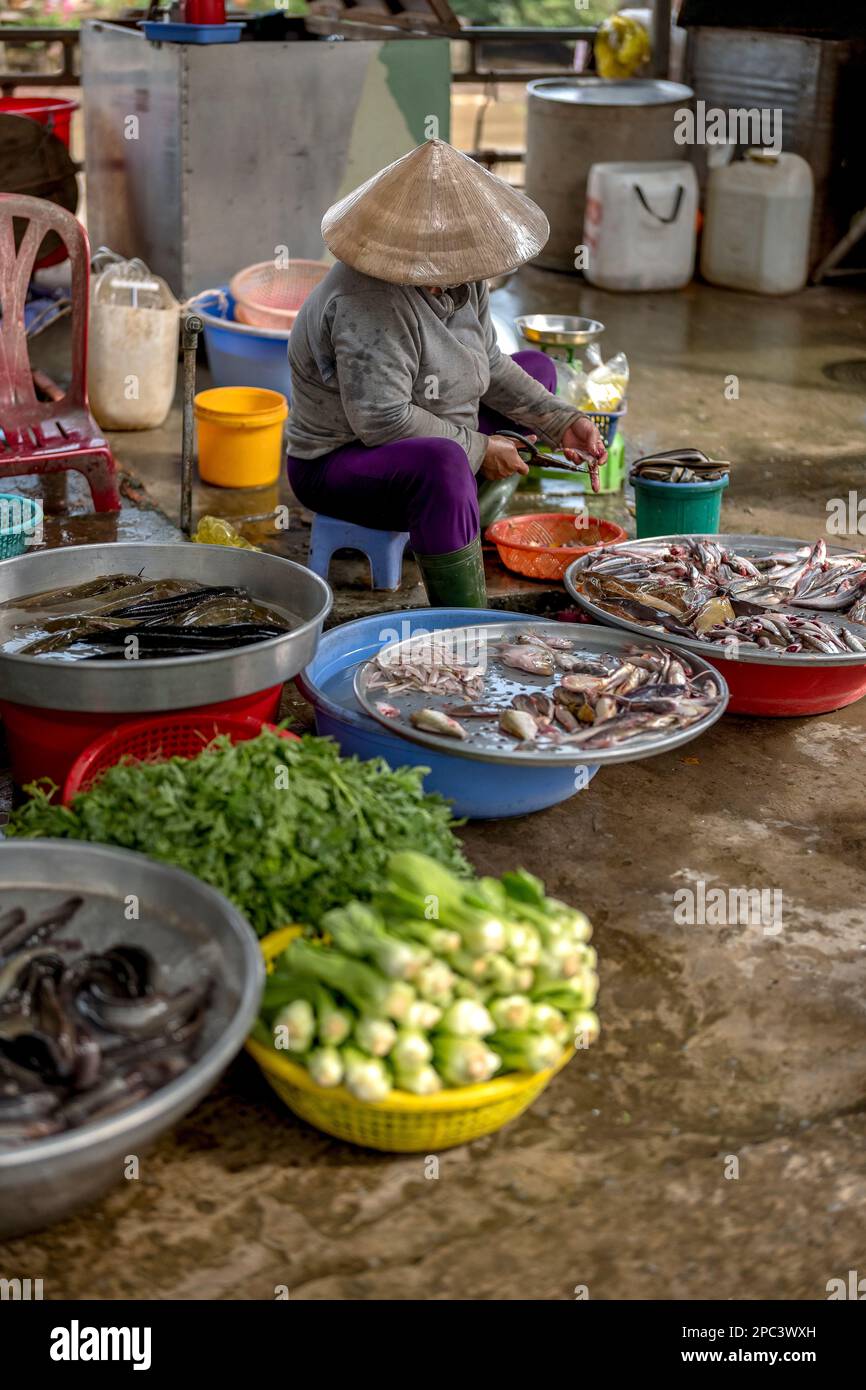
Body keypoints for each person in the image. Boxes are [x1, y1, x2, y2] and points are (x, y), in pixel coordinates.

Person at [287, 138, 607, 607]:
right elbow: (384, 421)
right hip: (340, 461)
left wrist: (562, 421)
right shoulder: (369, 299)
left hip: (430, 428)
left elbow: (491, 364)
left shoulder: (462, 274)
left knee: (537, 368)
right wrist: (479, 449)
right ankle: (461, 621)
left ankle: (456, 519)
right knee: (444, 463)